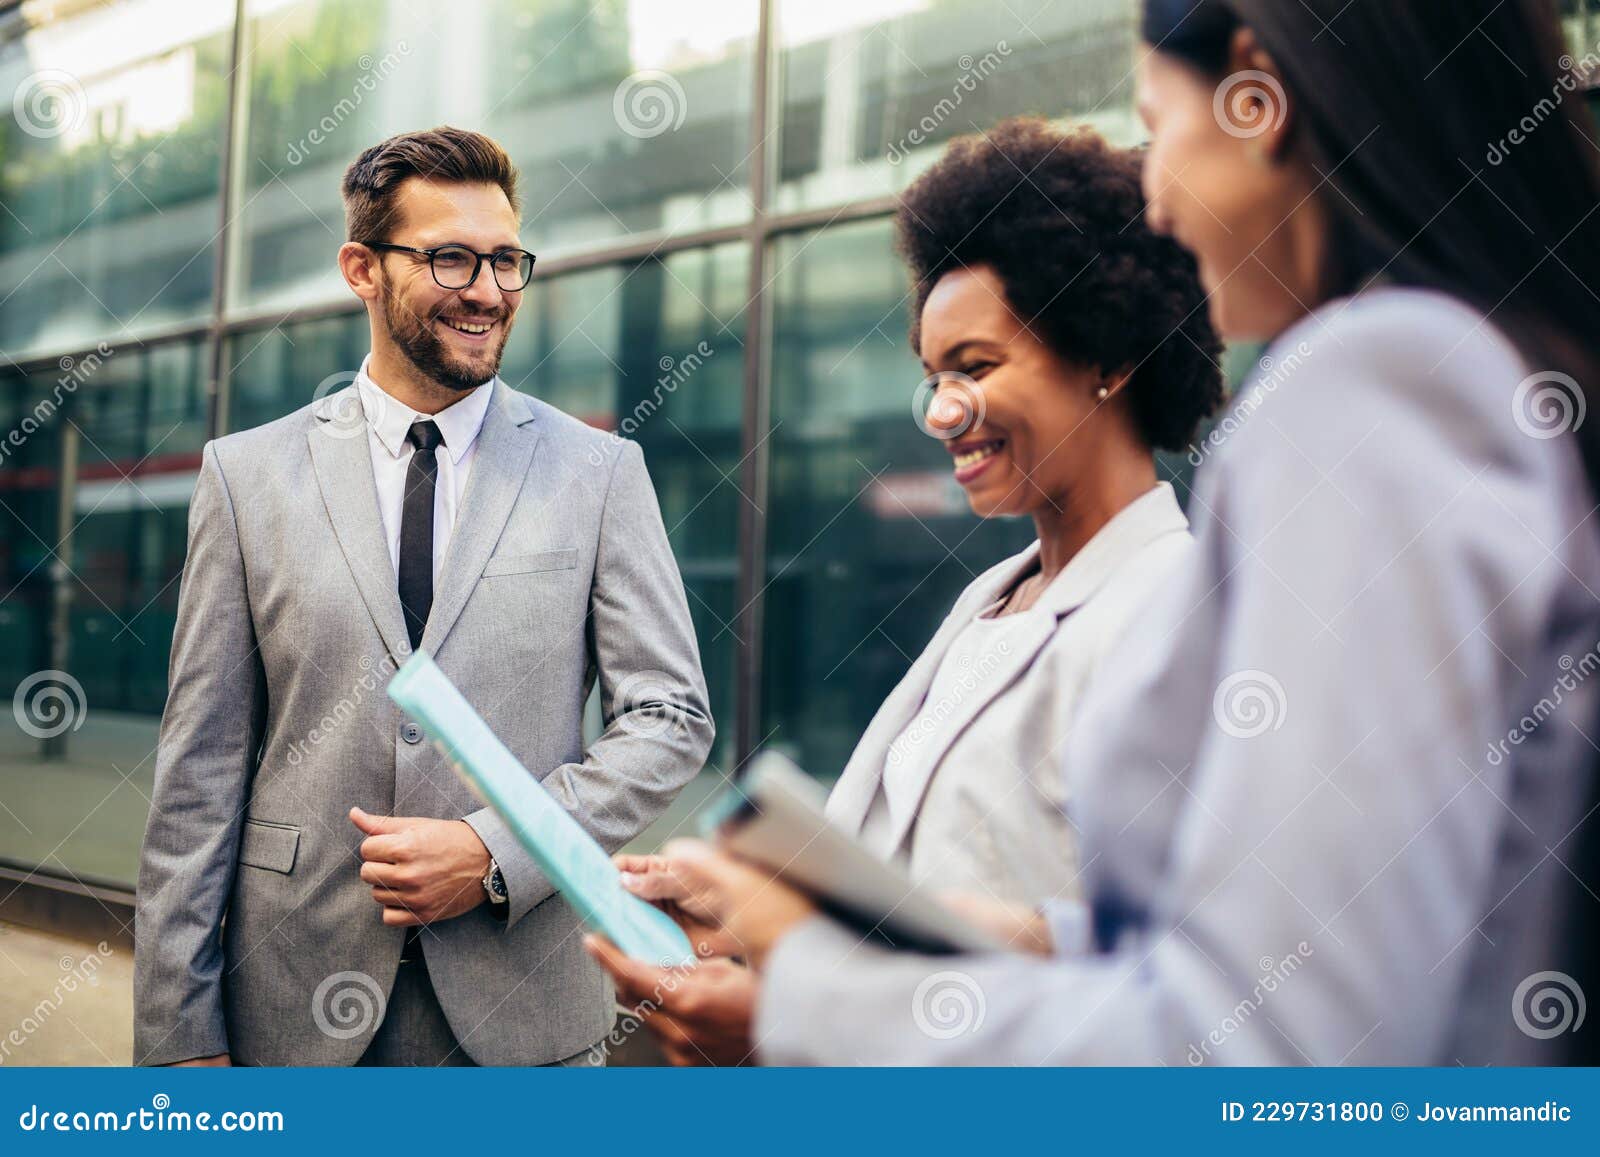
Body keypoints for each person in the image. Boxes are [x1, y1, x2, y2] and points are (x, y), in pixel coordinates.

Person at [602, 0, 1600, 1065]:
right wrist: (912, 935)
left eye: (1154, 122)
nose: (1156, 198)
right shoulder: (1471, 374)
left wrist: (810, 1009)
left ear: (1255, 93)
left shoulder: (1369, 386)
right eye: (933, 374)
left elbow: (1274, 1043)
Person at [588, 118, 1223, 1064]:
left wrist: (802, 999)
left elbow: (1173, 968)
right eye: (931, 377)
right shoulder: (990, 600)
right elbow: (929, 877)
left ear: (1108, 358)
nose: (941, 413)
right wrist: (763, 914)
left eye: (975, 367)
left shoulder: (1180, 613)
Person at [134, 127, 713, 1067]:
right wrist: (176, 1041)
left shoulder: (601, 472)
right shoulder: (246, 478)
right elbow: (199, 774)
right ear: (362, 268)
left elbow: (670, 717)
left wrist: (496, 851)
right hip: (284, 1012)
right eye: (451, 257)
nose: (488, 291)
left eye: (506, 261)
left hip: (525, 1016)